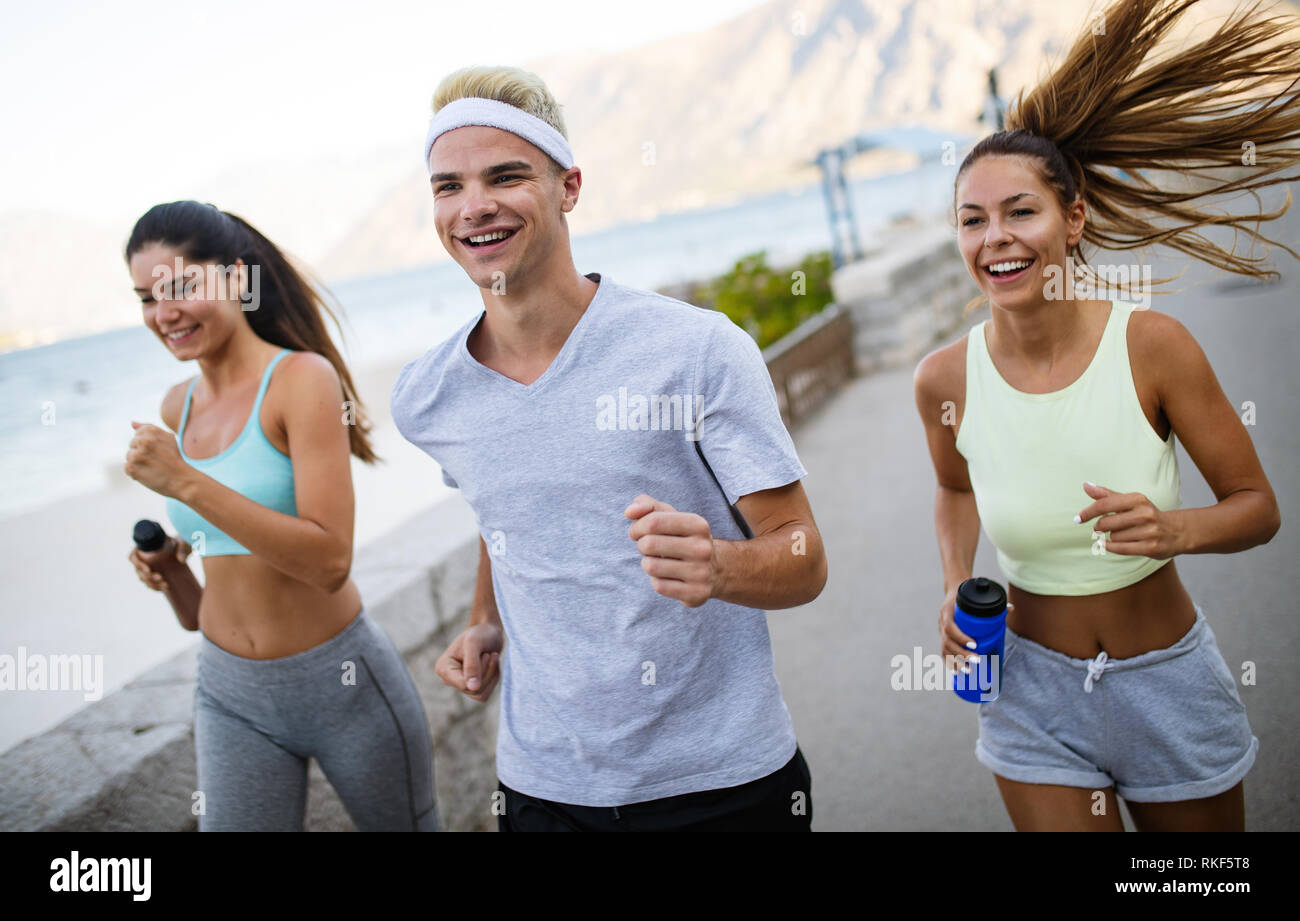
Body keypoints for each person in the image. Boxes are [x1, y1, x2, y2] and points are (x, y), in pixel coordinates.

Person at [391, 66, 827, 831]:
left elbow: (803, 558)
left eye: (506, 176)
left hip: (722, 783)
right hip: (543, 789)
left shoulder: (695, 351)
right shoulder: (428, 396)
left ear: (569, 187)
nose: (474, 206)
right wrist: (484, 616)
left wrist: (720, 564)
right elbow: (504, 507)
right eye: (447, 186)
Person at [915, 0, 1298, 831]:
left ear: (1073, 219)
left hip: (1167, 682)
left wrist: (1174, 529)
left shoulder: (1153, 346)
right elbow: (955, 489)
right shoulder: (944, 377)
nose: (996, 239)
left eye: (1021, 211)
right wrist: (953, 584)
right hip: (1029, 691)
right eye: (972, 219)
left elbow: (1257, 508)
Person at [123, 201, 438, 831]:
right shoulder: (175, 407)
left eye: (183, 286)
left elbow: (328, 562)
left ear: (237, 278)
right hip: (228, 692)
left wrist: (184, 480)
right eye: (146, 299)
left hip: (341, 683)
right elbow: (202, 608)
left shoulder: (300, 380)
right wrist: (173, 566)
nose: (165, 314)